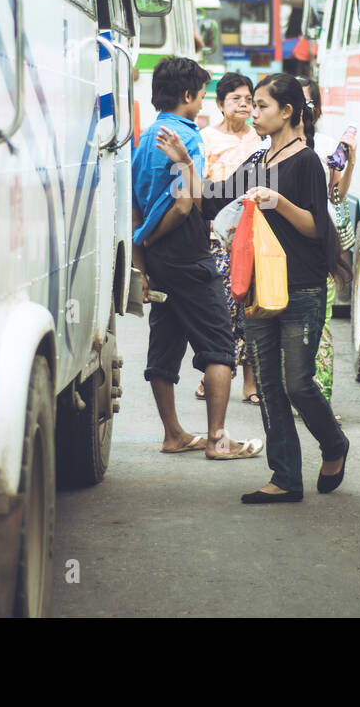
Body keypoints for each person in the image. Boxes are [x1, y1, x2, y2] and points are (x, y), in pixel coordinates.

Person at [158, 73, 351, 503]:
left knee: (298, 383)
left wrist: (278, 202)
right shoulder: (259, 160)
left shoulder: (305, 162)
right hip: (258, 290)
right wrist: (185, 164)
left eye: (261, 105)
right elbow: (209, 200)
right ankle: (285, 477)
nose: (253, 112)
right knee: (267, 386)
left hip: (301, 288)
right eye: (252, 104)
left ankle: (334, 443)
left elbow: (319, 229)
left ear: (287, 111)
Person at [130, 57, 264, 460]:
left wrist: (142, 257)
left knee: (165, 341)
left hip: (158, 261)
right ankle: (217, 439)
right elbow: (187, 203)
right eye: (203, 95)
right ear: (187, 95)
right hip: (187, 252)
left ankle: (173, 434)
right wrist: (153, 236)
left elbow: (135, 206)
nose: (203, 104)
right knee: (220, 346)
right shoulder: (186, 137)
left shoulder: (146, 138)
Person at [193, 73, 262, 406]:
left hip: (253, 236)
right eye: (236, 98)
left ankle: (250, 381)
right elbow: (198, 187)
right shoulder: (205, 138)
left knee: (250, 307)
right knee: (220, 308)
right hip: (216, 237)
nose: (244, 104)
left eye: (249, 99)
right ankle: (215, 374)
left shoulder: (260, 139)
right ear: (220, 104)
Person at [295, 77, 357, 422]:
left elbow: (336, 197)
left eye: (306, 102)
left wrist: (351, 162)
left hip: (322, 242)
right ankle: (295, 391)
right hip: (281, 245)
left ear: (315, 108)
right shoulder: (269, 145)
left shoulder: (327, 146)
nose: (300, 109)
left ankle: (321, 399)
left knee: (322, 321)